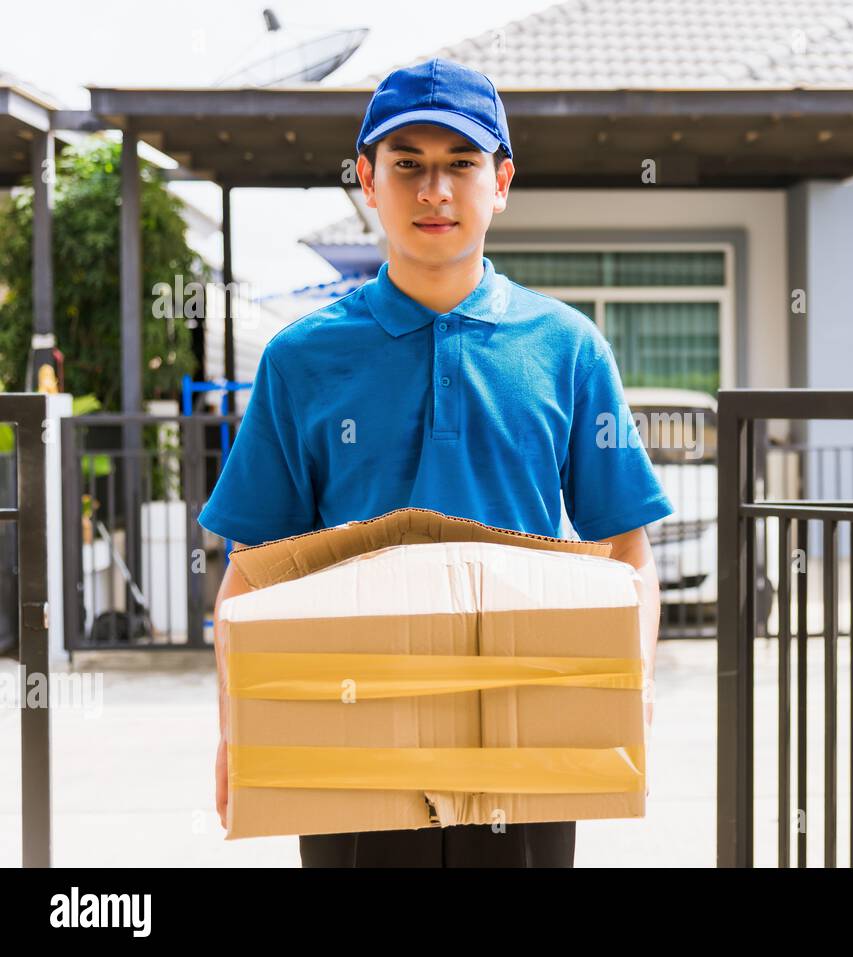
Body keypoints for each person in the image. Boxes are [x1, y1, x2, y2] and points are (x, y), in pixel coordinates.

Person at [198, 57, 674, 867]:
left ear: (502, 181)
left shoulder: (567, 348)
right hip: (349, 741)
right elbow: (251, 570)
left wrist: (631, 688)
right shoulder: (301, 358)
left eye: (460, 163)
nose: (435, 190)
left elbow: (627, 549)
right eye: (407, 165)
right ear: (366, 180)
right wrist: (237, 721)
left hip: (527, 737)